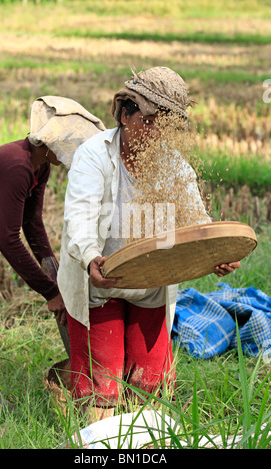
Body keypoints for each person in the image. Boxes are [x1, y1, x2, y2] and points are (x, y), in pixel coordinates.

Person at [57, 68, 240, 421]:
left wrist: (216, 255)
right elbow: (79, 217)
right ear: (125, 114)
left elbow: (196, 225)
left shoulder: (175, 167)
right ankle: (89, 421)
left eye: (166, 124)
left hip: (152, 285)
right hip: (102, 284)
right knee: (102, 391)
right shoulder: (94, 156)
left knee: (152, 386)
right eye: (150, 120)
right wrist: (92, 257)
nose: (157, 133)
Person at [0, 95, 105, 408]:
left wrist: (57, 275)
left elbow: (32, 224)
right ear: (50, 142)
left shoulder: (38, 167)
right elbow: (7, 240)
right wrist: (50, 291)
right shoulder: (18, 167)